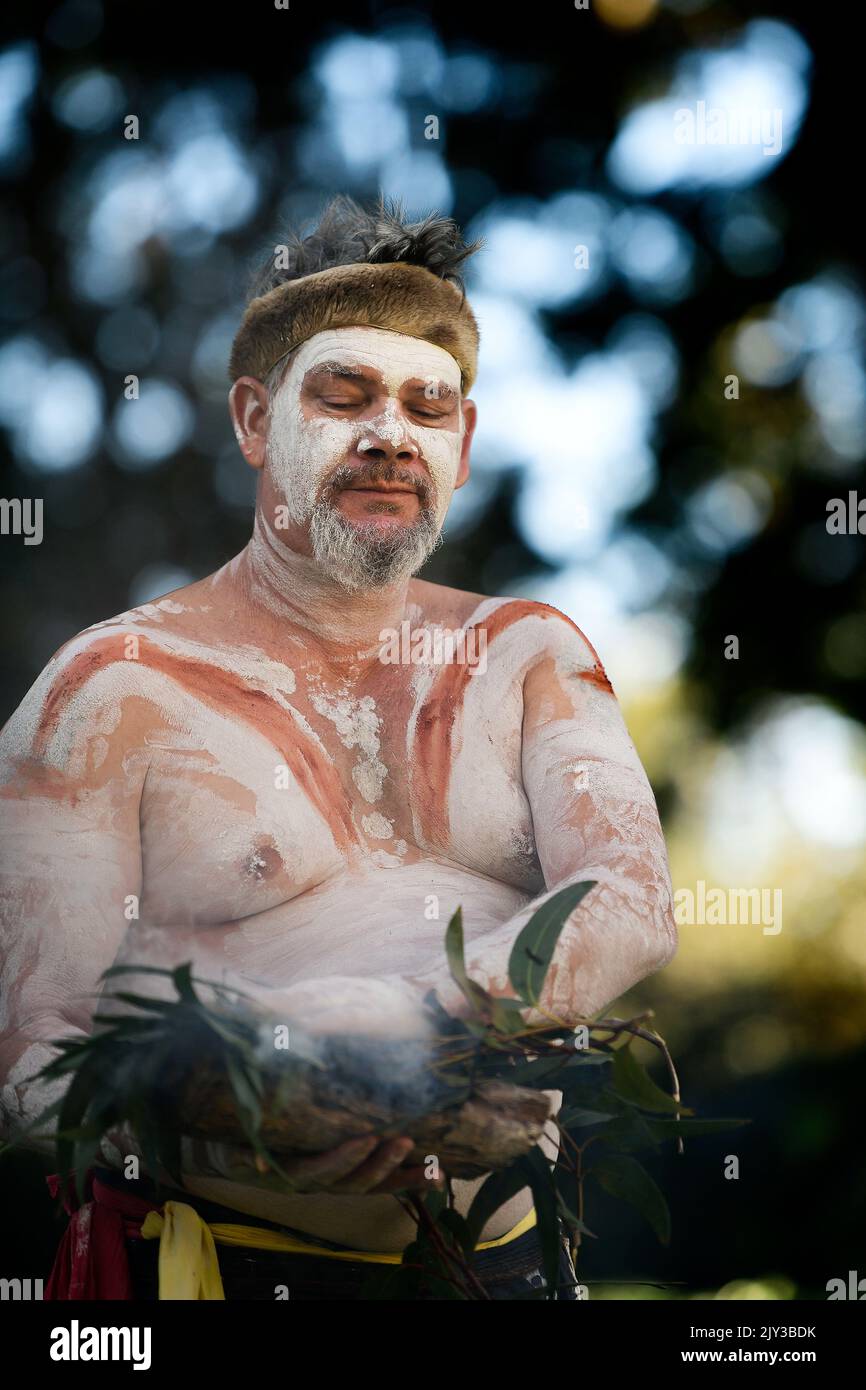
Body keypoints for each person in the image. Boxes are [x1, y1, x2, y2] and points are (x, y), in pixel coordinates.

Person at [0, 193, 677, 1300]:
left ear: (462, 443)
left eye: (427, 404)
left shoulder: (530, 655)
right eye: (345, 393)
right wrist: (247, 1092)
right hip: (220, 1267)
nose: (389, 434)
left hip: (505, 1268)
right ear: (258, 421)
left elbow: (632, 898)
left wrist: (415, 1033)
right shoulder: (108, 691)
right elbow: (28, 1058)